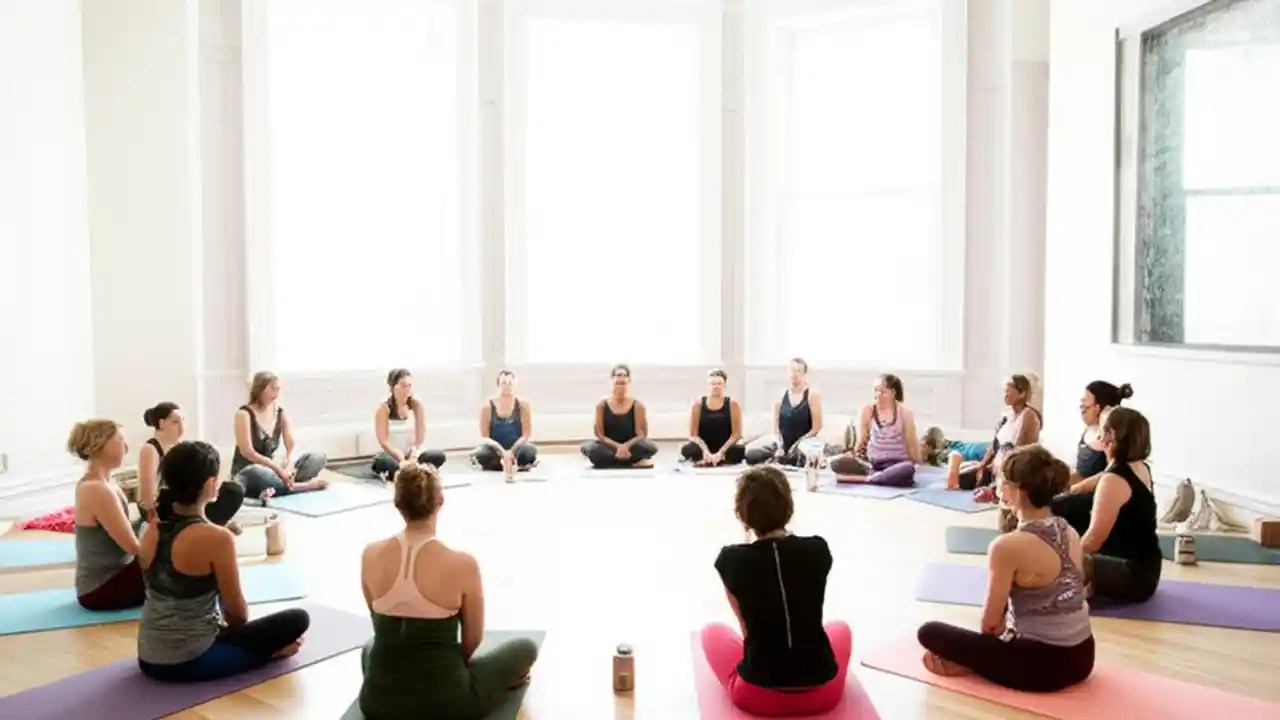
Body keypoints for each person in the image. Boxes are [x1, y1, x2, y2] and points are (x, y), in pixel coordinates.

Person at [358, 462, 538, 719]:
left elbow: (378, 624)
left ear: (397, 504)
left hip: (377, 705)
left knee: (372, 646)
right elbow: (472, 640)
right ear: (440, 501)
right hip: (448, 705)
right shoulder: (463, 564)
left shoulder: (370, 555)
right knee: (525, 648)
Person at [917, 446, 1094, 692]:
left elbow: (990, 625)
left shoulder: (1006, 547)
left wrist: (981, 654)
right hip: (1084, 655)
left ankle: (980, 666)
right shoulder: (1068, 530)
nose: (998, 487)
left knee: (929, 633)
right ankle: (990, 663)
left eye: (1002, 481)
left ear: (1019, 490)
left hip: (1045, 666)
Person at [136, 441, 310, 681]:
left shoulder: (149, 529)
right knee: (298, 619)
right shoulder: (217, 538)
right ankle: (270, 654)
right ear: (210, 484)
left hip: (148, 657)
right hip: (189, 661)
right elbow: (237, 615)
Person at [701, 466, 852, 716]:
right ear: (789, 508)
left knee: (711, 632)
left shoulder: (730, 560)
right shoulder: (818, 550)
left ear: (741, 514)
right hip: (822, 693)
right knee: (840, 629)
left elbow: (746, 630)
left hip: (757, 696)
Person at [1052, 407, 1162, 602]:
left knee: (1052, 562)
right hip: (1147, 571)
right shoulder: (1137, 467)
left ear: (1110, 435)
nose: (1098, 435)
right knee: (1072, 504)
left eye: (1101, 430)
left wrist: (1063, 564)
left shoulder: (1114, 480)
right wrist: (1070, 492)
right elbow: (1092, 482)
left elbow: (1093, 539)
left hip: (1132, 575)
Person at [70, 420, 144, 610]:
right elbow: (133, 547)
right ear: (99, 444)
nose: (126, 447)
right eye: (120, 440)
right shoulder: (97, 490)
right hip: (103, 589)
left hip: (110, 579)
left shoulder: (105, 484)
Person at [139, 402, 244, 531]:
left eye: (182, 421)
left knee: (232, 491)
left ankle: (212, 525)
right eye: (175, 422)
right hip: (168, 505)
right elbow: (147, 496)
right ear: (161, 424)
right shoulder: (150, 449)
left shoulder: (181, 446)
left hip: (188, 499)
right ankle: (208, 527)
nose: (181, 427)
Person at [231, 371, 329, 501]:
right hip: (250, 473)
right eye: (273, 389)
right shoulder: (244, 414)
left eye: (278, 389)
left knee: (318, 458)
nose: (276, 394)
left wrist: (286, 462)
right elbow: (247, 451)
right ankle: (301, 487)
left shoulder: (279, 413)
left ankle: (286, 485)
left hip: (273, 473)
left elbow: (290, 444)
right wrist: (277, 469)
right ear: (260, 389)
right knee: (256, 472)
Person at [829, 374, 919, 487]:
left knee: (908, 469)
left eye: (883, 392)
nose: (878, 394)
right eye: (876, 390)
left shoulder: (905, 413)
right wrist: (854, 456)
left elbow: (911, 442)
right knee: (836, 463)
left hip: (897, 464)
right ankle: (879, 477)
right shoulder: (867, 410)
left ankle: (869, 479)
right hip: (873, 464)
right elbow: (862, 439)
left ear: (893, 393)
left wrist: (916, 463)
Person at [957, 374, 1043, 493]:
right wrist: (982, 466)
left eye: (1008, 391)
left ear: (1022, 393)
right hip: (996, 464)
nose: (1005, 395)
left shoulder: (1028, 415)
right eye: (1004, 391)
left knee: (991, 488)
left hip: (1013, 469)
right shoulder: (1006, 415)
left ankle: (996, 488)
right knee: (963, 478)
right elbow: (994, 444)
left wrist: (999, 468)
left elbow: (1018, 451)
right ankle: (991, 484)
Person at [745, 358, 825, 466]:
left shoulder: (812, 395)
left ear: (804, 375)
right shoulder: (780, 396)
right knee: (751, 455)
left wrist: (798, 445)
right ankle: (778, 458)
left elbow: (816, 427)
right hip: (783, 444)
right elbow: (776, 429)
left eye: (799, 371)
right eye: (792, 370)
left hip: (805, 443)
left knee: (805, 456)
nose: (795, 374)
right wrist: (780, 445)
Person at [372, 368, 448, 481]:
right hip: (393, 455)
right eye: (403, 386)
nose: (407, 390)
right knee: (381, 460)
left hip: (412, 454)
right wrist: (400, 456)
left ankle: (409, 471)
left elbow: (420, 437)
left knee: (438, 456)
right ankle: (407, 471)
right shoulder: (383, 408)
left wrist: (413, 455)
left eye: (409, 386)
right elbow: (384, 441)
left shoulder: (416, 404)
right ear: (393, 387)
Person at [580, 364, 659, 469]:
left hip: (631, 446)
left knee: (650, 447)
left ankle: (610, 461)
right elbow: (600, 435)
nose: (621, 378)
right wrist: (618, 447)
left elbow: (641, 435)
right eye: (618, 375)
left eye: (624, 376)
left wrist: (625, 446)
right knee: (590, 449)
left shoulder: (638, 405)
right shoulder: (602, 405)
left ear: (629, 380)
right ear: (612, 380)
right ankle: (632, 461)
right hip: (609, 446)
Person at [1063, 381, 1133, 494]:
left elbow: (1111, 474)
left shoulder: (1114, 439)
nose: (1082, 409)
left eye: (1086, 406)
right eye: (1081, 404)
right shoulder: (1088, 431)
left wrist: (1075, 489)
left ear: (1099, 407)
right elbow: (1081, 473)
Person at [471, 370, 537, 476]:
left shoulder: (523, 405)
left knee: (528, 451)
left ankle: (514, 463)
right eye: (504, 383)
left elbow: (526, 434)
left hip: (517, 447)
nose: (507, 386)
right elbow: (485, 437)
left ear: (515, 385)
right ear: (498, 385)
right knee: (482, 454)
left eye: (510, 383)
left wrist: (512, 451)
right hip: (495, 448)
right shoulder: (487, 406)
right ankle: (504, 463)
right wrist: (502, 452)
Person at [681, 368, 745, 466]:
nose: (716, 386)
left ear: (724, 385)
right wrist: (705, 451)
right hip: (704, 446)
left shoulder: (733, 404)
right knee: (687, 449)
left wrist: (721, 452)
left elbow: (736, 435)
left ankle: (717, 458)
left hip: (725, 446)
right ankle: (709, 458)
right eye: (713, 384)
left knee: (739, 450)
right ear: (708, 386)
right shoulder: (697, 404)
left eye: (719, 383)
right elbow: (693, 435)